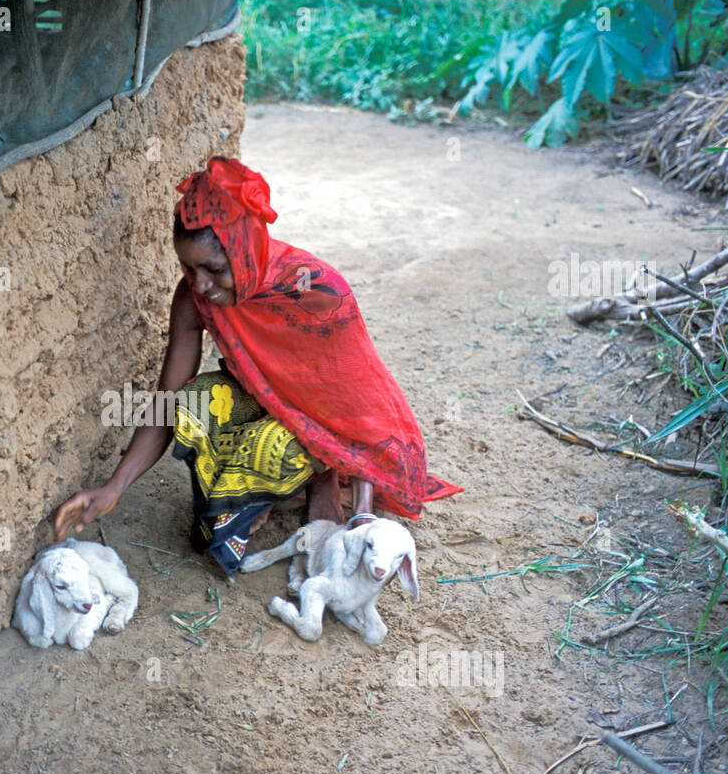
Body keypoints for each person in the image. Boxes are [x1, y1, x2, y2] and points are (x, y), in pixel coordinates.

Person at [51, 156, 460, 577]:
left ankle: (310, 477)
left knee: (277, 452)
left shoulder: (318, 293)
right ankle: (261, 496)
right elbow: (167, 402)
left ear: (245, 249)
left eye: (213, 268)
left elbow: (360, 414)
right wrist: (115, 486)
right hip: (266, 408)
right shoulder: (194, 298)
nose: (201, 283)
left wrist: (354, 508)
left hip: (317, 428)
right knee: (196, 405)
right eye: (188, 268)